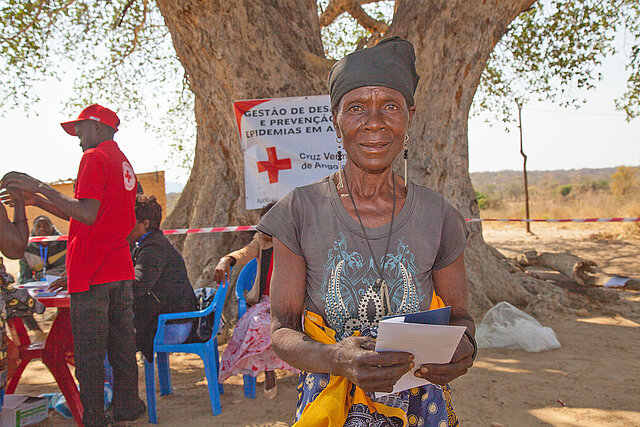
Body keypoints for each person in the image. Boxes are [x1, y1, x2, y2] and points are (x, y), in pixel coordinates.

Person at [257, 37, 476, 426]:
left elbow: (461, 317)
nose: (374, 122)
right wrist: (337, 358)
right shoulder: (297, 211)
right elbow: (282, 330)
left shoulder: (438, 215)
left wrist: (466, 348)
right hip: (332, 402)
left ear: (409, 115)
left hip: (419, 404)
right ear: (335, 118)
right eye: (356, 108)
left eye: (389, 106)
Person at [1, 104, 146, 426]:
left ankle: (93, 418)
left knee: (89, 355)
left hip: (94, 271)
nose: (77, 136)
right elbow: (86, 213)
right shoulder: (122, 161)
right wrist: (38, 201)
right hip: (117, 266)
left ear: (96, 127)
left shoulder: (93, 158)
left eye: (80, 129)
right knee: (122, 349)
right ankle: (128, 409)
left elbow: (87, 214)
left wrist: (37, 185)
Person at [215, 202, 298, 399]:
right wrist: (226, 259)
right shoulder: (261, 240)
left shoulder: (297, 241)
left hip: (292, 303)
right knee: (259, 326)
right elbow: (244, 253)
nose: (264, 228)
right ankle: (269, 372)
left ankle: (304, 375)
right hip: (265, 302)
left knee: (299, 327)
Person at [126, 194, 198, 362]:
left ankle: (110, 388)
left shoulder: (153, 247)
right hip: (172, 320)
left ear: (145, 224)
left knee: (110, 342)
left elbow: (138, 286)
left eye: (128, 222)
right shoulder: (150, 243)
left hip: (173, 325)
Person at [18, 215, 67, 284]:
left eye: (46, 225)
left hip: (63, 282)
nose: (42, 229)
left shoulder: (66, 244)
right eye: (38, 226)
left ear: (52, 228)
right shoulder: (27, 250)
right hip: (38, 284)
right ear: (33, 230)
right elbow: (24, 278)